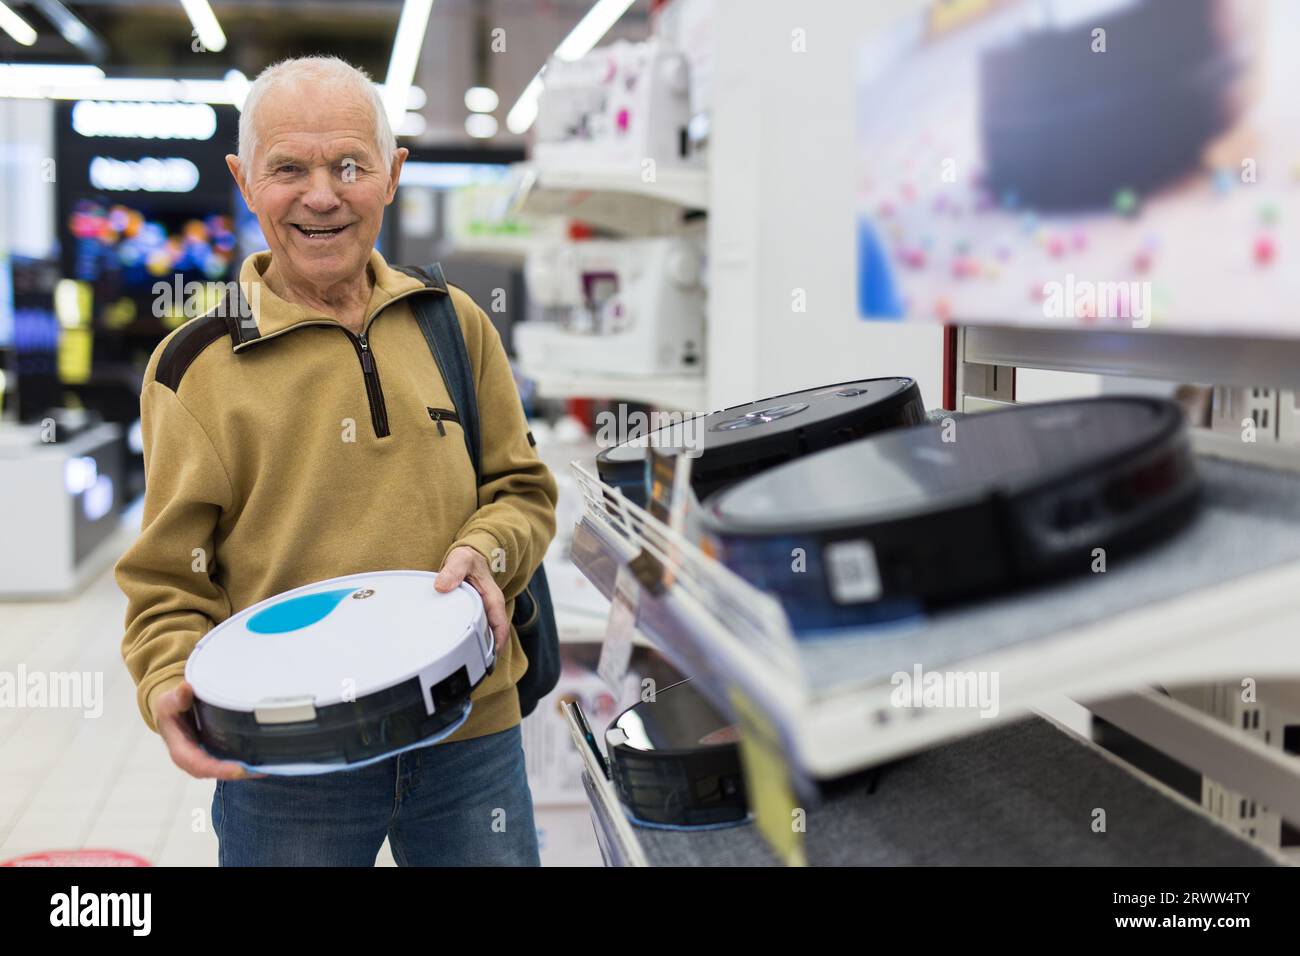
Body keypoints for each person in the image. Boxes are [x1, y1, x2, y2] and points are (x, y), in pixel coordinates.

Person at [114, 56, 559, 866]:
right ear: (244, 180)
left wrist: (487, 550)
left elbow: (522, 489)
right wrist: (169, 681)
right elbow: (168, 581)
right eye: (289, 168)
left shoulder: (454, 324)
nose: (322, 195)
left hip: (470, 732)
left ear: (391, 176)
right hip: (289, 761)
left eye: (350, 165)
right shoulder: (195, 369)